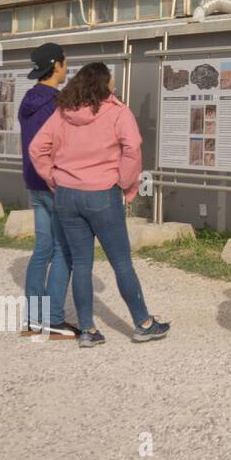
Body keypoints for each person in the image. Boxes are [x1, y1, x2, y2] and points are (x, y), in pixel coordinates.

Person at [29, 62, 168, 348]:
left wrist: (53, 177)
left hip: (67, 194)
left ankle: (88, 331)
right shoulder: (118, 111)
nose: (114, 82)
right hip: (102, 194)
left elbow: (36, 148)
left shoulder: (63, 112)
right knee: (121, 263)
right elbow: (132, 147)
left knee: (80, 264)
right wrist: (125, 181)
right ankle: (143, 323)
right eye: (111, 78)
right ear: (104, 83)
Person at [17, 42, 77, 338]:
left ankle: (33, 318)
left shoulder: (28, 100)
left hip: (34, 183)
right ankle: (53, 319)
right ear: (57, 65)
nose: (67, 68)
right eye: (65, 63)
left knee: (41, 249)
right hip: (55, 183)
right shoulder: (60, 103)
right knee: (62, 250)